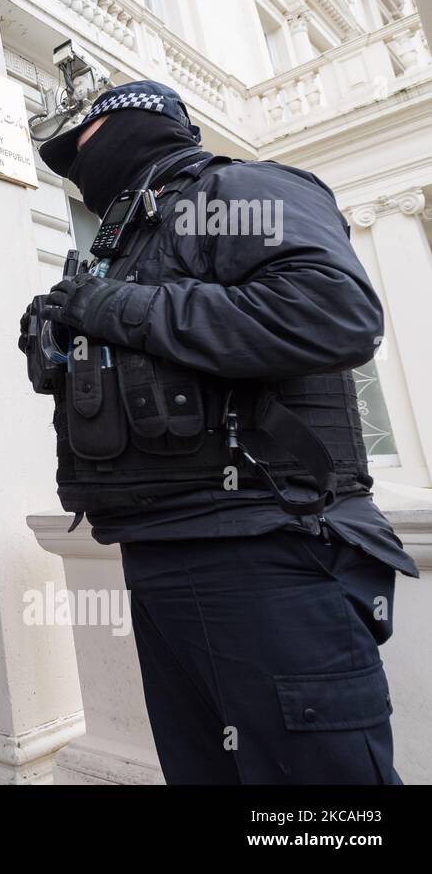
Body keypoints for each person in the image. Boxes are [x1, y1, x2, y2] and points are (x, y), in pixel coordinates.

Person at [23, 80, 417, 784]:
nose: (74, 160)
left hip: (268, 556)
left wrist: (116, 309)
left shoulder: (239, 191)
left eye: (80, 137)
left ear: (132, 127)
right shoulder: (123, 242)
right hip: (159, 558)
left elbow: (333, 312)